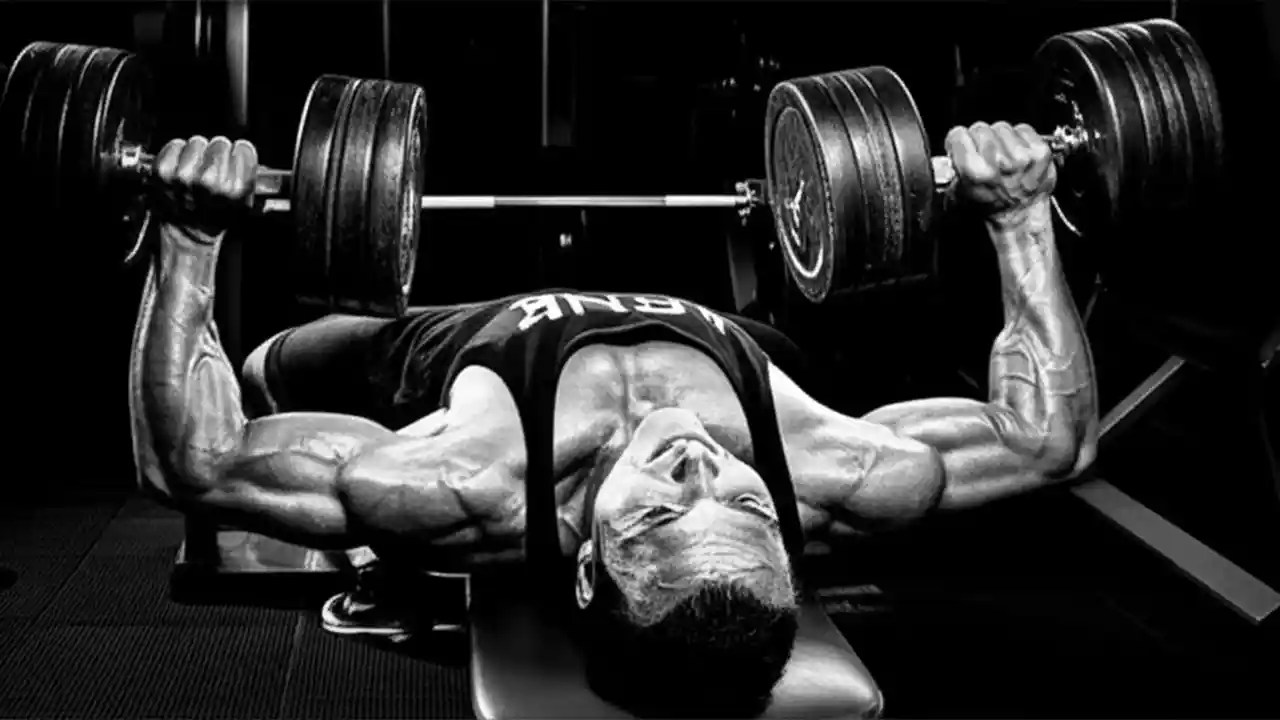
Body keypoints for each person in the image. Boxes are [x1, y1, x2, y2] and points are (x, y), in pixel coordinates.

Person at [130, 121, 1097, 718]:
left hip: (457, 327)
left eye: (663, 513)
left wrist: (188, 235)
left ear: (590, 564)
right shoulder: (835, 474)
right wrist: (1019, 214)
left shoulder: (462, 488)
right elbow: (1049, 441)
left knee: (267, 371)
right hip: (718, 317)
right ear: (792, 537)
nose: (699, 466)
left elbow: (195, 463)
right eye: (749, 511)